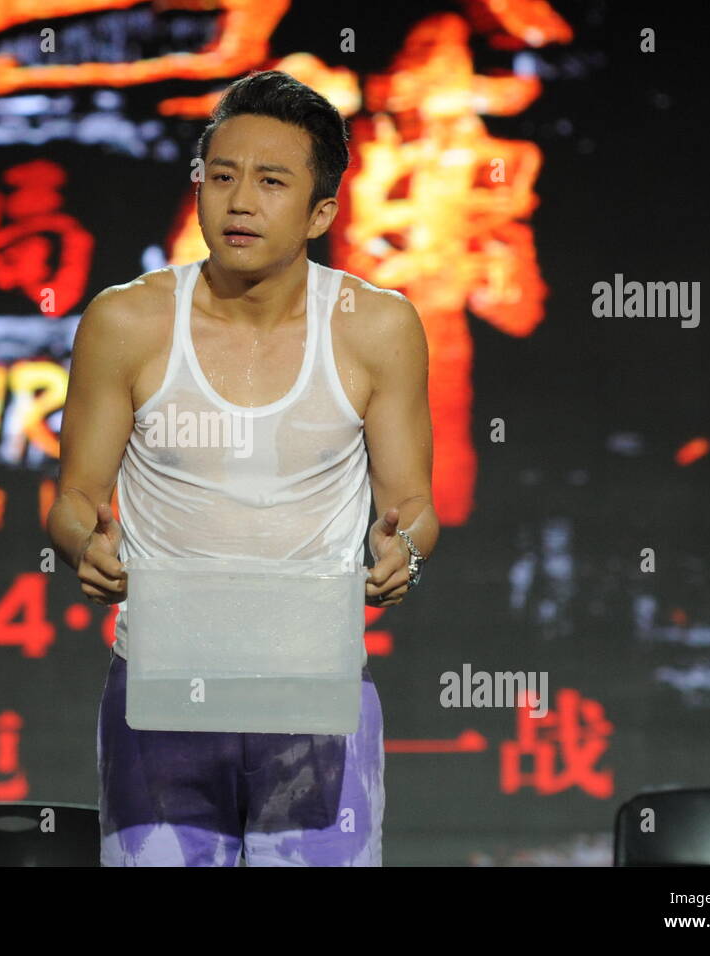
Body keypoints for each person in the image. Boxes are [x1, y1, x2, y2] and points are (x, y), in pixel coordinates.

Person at [47, 69, 438, 866]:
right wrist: (82, 541)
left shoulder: (377, 328)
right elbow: (74, 498)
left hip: (315, 697)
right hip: (160, 697)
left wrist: (407, 553)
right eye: (220, 177)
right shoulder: (127, 321)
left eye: (270, 181)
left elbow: (413, 506)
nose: (239, 201)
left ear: (321, 210)